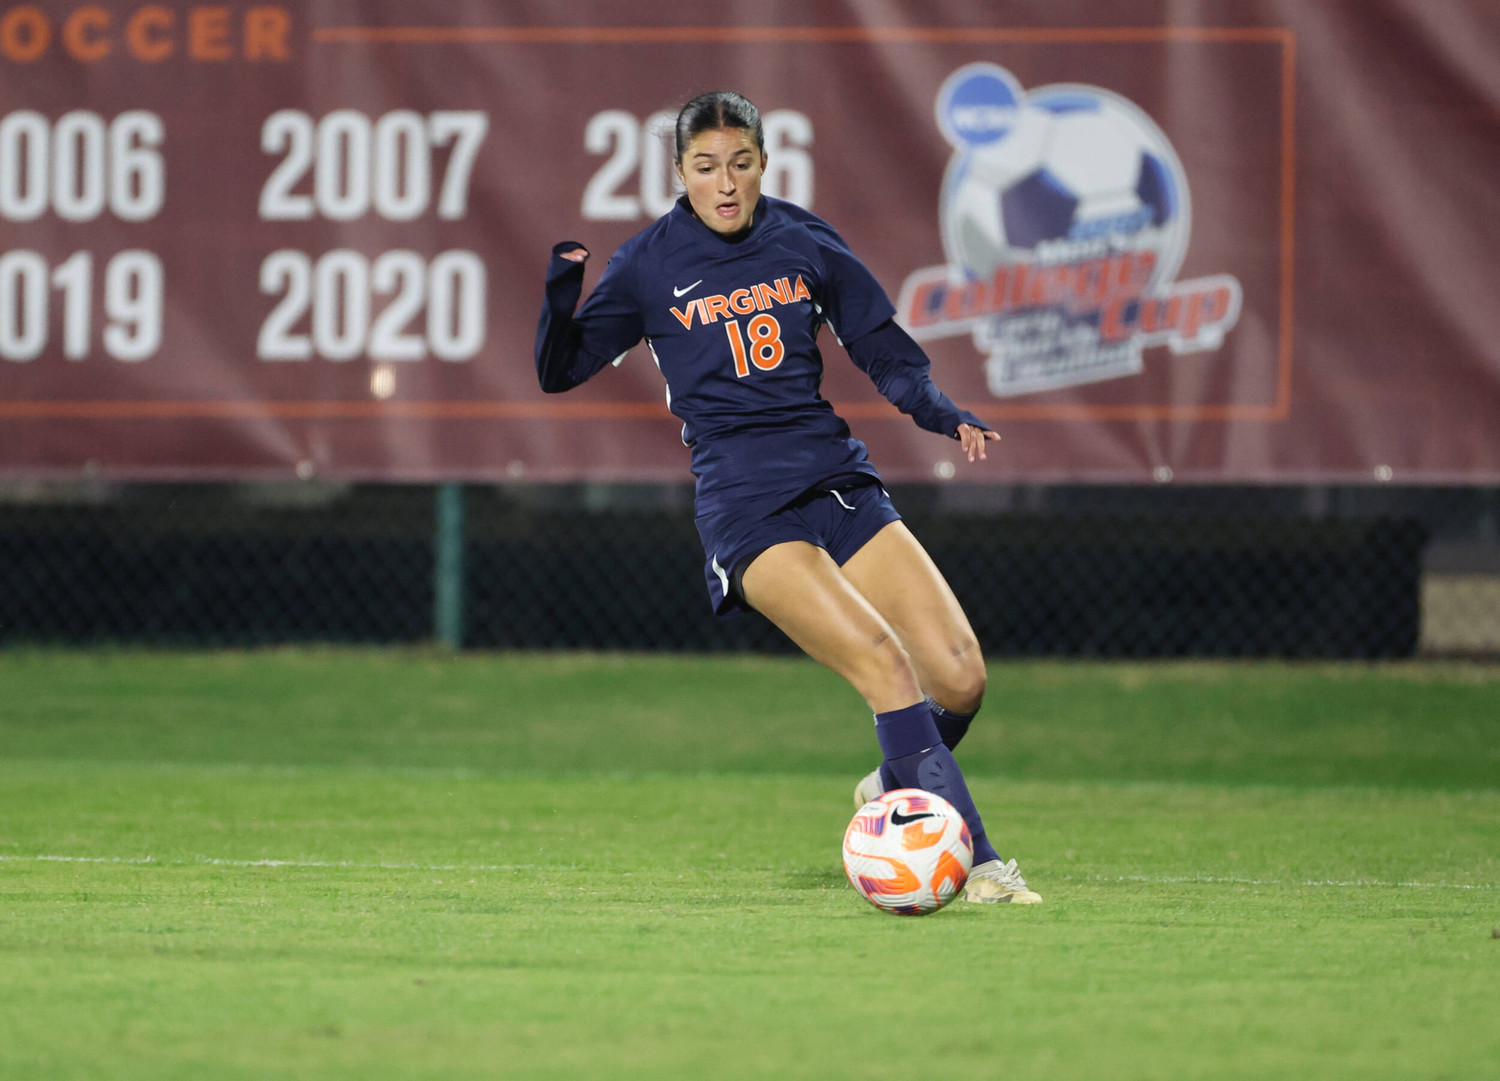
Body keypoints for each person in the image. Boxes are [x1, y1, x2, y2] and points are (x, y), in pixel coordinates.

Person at [535, 90, 1040, 905]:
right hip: (746, 504)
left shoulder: (804, 238)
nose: (725, 183)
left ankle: (896, 778)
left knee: (960, 676)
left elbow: (882, 346)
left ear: (764, 163)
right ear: (679, 173)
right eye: (705, 167)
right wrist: (563, 295)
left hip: (834, 477)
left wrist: (939, 411)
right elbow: (559, 370)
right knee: (885, 663)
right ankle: (977, 862)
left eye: (740, 163)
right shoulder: (649, 263)